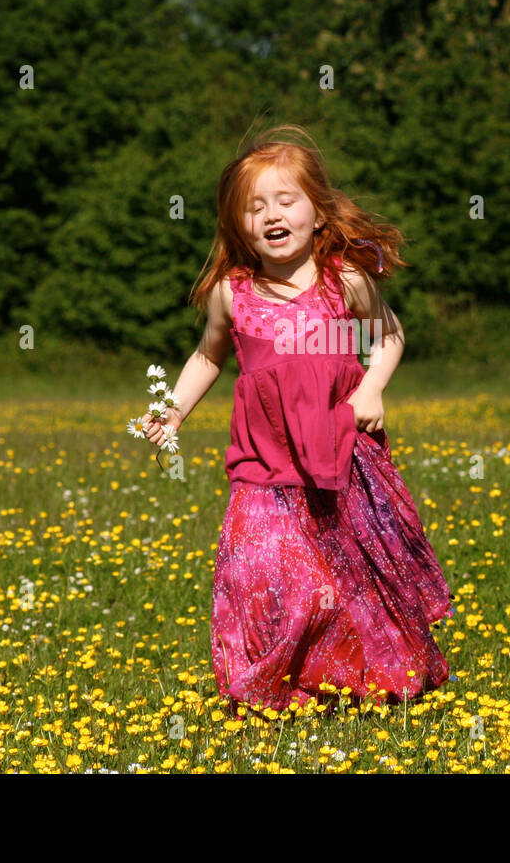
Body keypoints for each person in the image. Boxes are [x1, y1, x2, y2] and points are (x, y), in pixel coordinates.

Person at [140, 125, 454, 716]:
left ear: (316, 210)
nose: (272, 215)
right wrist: (173, 412)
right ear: (240, 226)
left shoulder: (346, 281)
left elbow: (389, 336)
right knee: (266, 574)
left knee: (348, 580)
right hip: (263, 463)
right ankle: (266, 685)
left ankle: (358, 680)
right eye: (255, 208)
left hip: (340, 458)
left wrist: (372, 387)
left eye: (287, 201)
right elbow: (208, 356)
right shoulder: (233, 294)